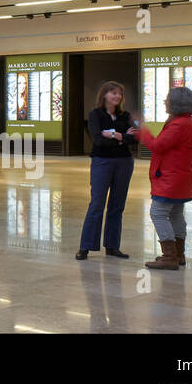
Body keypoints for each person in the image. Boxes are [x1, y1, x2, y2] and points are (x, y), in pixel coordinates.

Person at [131, 86, 192, 271]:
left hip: (172, 177)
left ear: (175, 103)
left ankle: (170, 256)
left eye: (168, 99)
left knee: (158, 213)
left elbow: (157, 146)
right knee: (176, 213)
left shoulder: (179, 124)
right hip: (181, 176)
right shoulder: (185, 121)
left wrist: (142, 130)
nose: (165, 102)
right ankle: (178, 254)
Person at [76, 81, 137, 260]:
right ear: (104, 95)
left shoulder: (125, 116)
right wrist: (122, 137)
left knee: (117, 205)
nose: (117, 96)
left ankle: (112, 246)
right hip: (102, 161)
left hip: (124, 162)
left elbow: (136, 139)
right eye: (113, 93)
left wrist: (114, 135)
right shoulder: (95, 115)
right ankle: (85, 246)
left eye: (119, 94)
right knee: (97, 204)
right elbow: (97, 140)